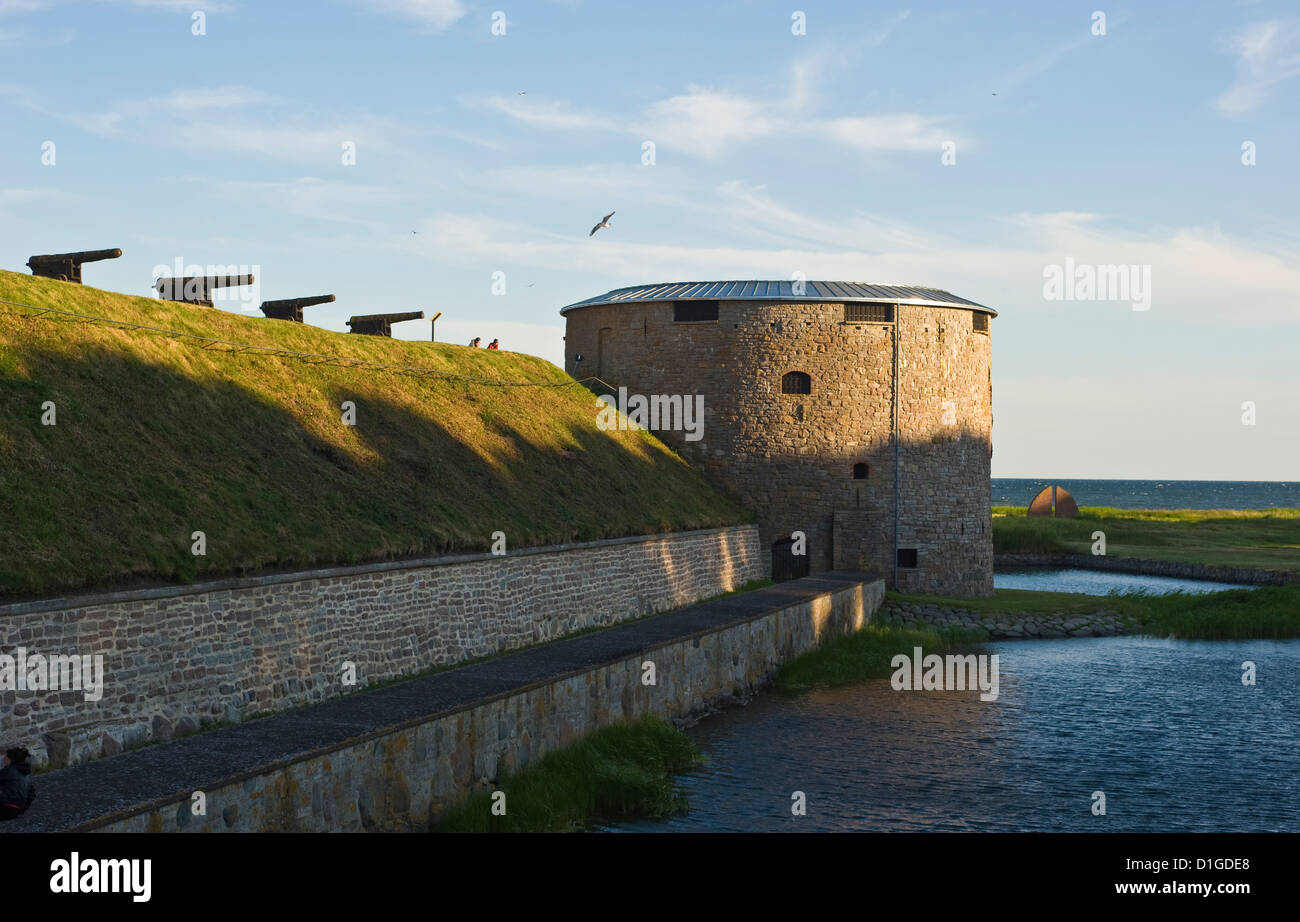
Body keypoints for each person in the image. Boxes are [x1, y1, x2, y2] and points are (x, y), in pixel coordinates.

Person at [0, 747, 36, 821]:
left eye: (5, 757)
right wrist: (21, 809)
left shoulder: (8, 771)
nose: (3, 759)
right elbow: (32, 795)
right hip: (16, 810)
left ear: (10, 759)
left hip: (4, 808)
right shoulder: (26, 776)